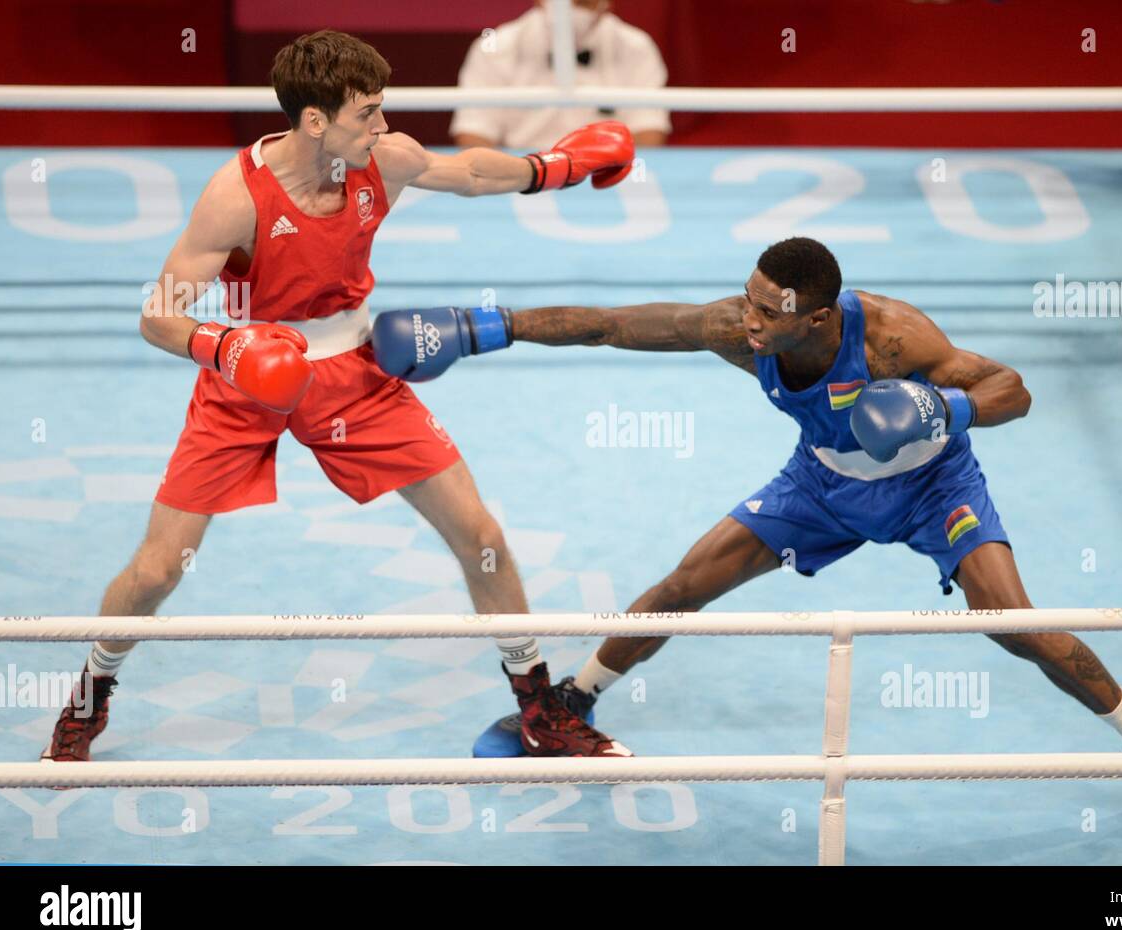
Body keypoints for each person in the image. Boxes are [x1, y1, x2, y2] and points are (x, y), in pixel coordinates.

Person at [404, 236, 1122, 848]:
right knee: (684, 584)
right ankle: (567, 707)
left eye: (766, 311)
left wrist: (945, 411)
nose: (747, 320)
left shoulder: (894, 338)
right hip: (819, 485)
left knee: (1015, 623)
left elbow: (1013, 390)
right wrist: (491, 327)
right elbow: (611, 325)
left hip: (933, 487)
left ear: (818, 318)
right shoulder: (736, 329)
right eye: (748, 301)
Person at [41, 29, 636, 765]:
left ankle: (540, 708)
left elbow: (472, 172)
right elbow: (158, 314)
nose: (382, 126)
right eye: (367, 114)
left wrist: (560, 165)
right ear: (314, 120)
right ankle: (89, 696)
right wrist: (226, 346)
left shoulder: (381, 160)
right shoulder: (235, 196)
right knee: (159, 568)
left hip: (356, 371)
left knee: (480, 537)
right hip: (245, 376)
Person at [451, 0, 670, 150]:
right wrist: (507, 177)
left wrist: (619, 174)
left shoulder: (636, 46)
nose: (571, 8)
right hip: (520, 172)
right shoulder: (493, 46)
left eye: (582, 0)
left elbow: (648, 131)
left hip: (604, 172)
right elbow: (474, 132)